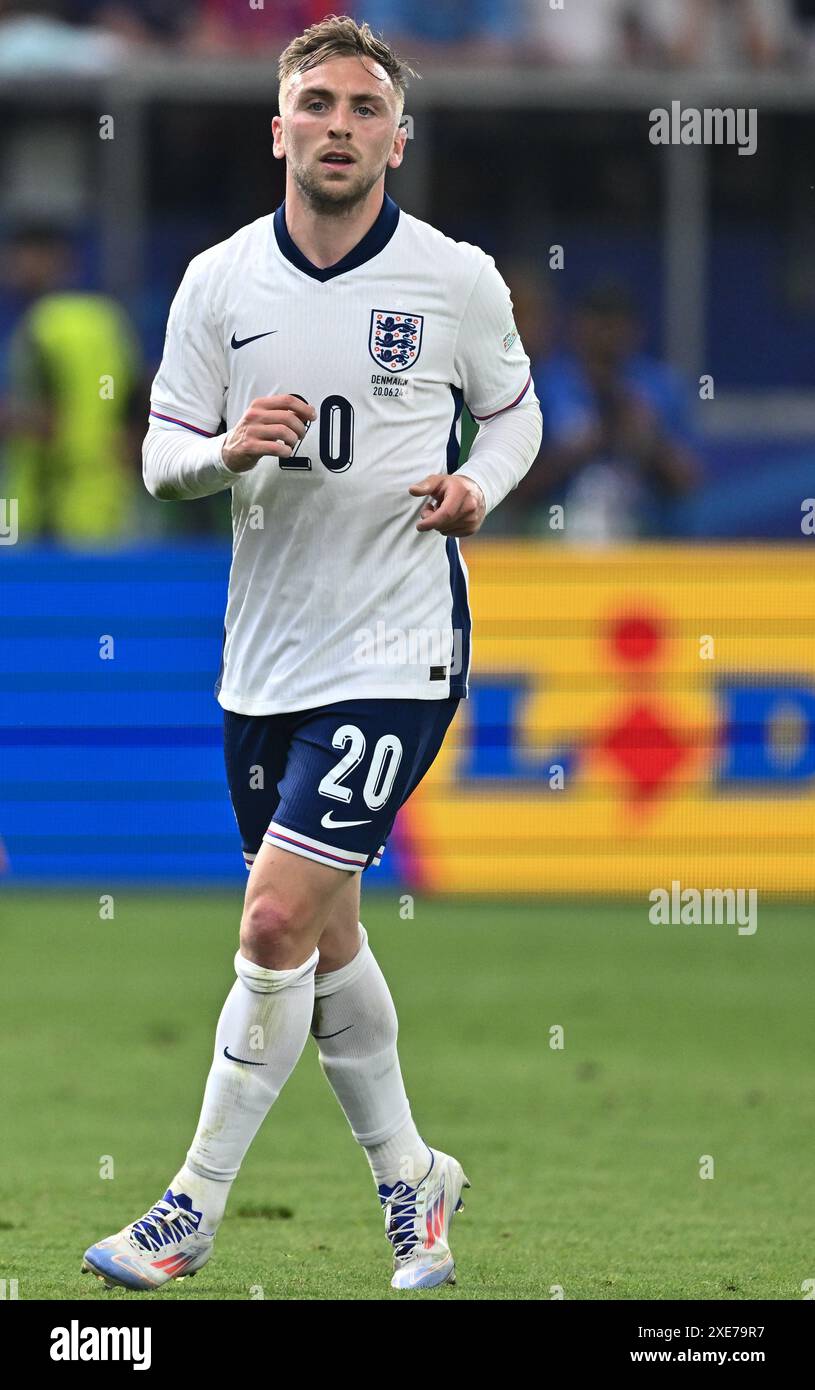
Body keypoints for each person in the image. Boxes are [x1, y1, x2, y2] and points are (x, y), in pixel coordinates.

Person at [82, 14, 542, 1294]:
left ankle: (188, 1208)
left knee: (276, 914)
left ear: (399, 135)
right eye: (316, 105)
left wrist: (477, 490)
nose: (338, 126)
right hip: (262, 660)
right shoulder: (218, 282)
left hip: (399, 645)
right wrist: (226, 452)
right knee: (326, 936)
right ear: (276, 128)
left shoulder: (454, 278)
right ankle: (412, 1182)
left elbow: (514, 414)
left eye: (361, 107)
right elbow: (161, 454)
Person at [517, 283, 698, 541]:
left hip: (644, 531)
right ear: (577, 326)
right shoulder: (544, 385)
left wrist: (648, 441)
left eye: (616, 324)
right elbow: (516, 492)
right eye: (598, 323)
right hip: (559, 533)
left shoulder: (662, 387)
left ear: (635, 330)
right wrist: (577, 450)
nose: (606, 335)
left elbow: (688, 482)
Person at [0, 222, 143, 544]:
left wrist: (13, 420)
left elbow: (42, 417)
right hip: (107, 496)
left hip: (44, 503)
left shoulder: (43, 327)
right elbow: (138, 392)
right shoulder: (108, 318)